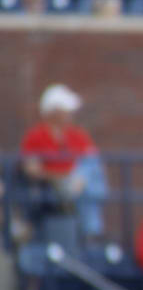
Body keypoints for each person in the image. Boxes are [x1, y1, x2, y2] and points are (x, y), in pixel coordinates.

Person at [19, 83, 108, 240]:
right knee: (84, 178)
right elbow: (31, 169)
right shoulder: (36, 136)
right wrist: (64, 176)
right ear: (53, 111)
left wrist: (77, 178)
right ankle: (91, 231)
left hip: (80, 188)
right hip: (53, 187)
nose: (70, 113)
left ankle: (91, 232)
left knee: (89, 169)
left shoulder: (77, 135)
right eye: (65, 109)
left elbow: (95, 165)